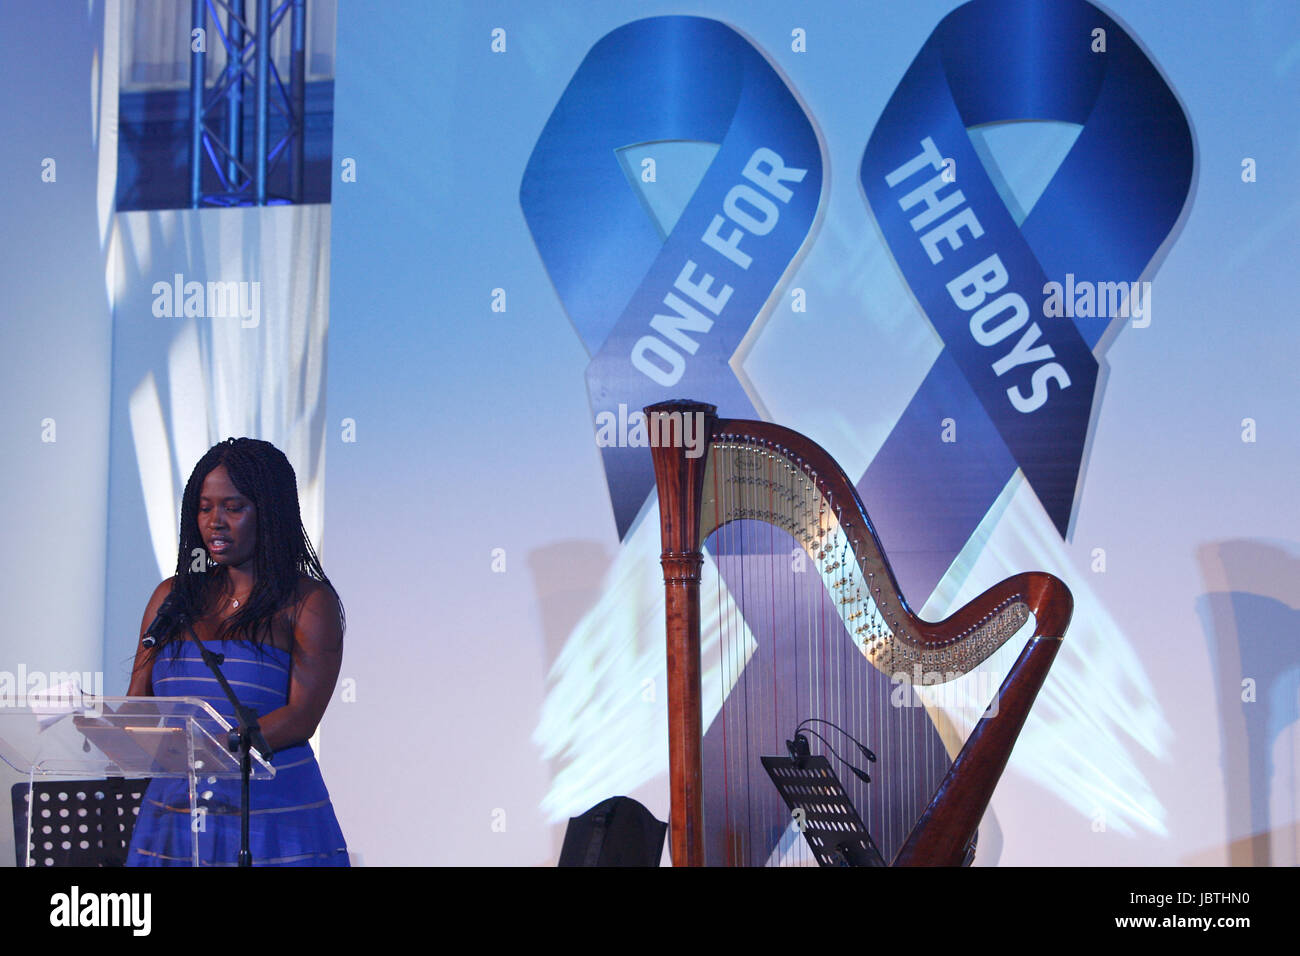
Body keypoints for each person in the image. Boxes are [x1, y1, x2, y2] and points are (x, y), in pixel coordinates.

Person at [126, 437, 349, 866]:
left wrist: (209, 751)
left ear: (270, 513)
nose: (215, 522)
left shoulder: (307, 602)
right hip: (176, 815)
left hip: (272, 818)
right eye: (205, 507)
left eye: (233, 507)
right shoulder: (171, 597)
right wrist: (88, 719)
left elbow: (301, 718)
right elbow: (139, 701)